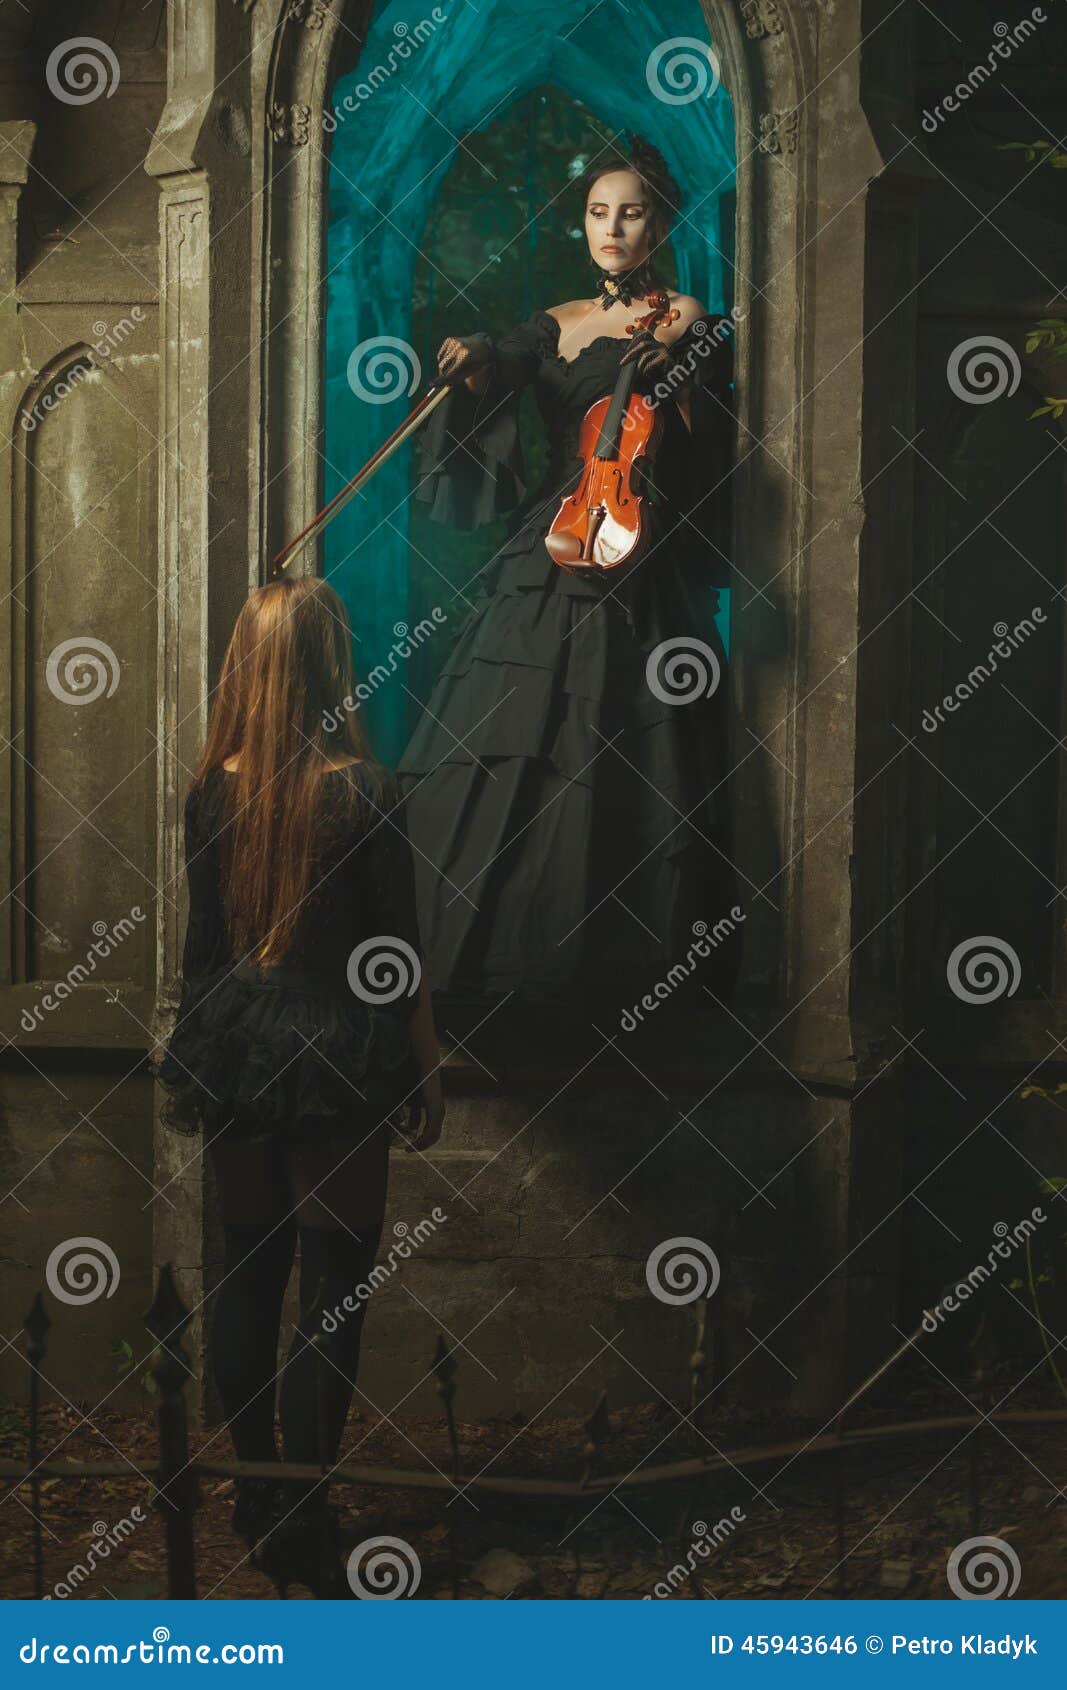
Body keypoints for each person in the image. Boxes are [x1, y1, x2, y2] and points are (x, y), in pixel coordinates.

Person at [398, 134, 743, 1013]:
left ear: (657, 220)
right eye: (597, 212)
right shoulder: (555, 319)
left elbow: (714, 444)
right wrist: (473, 360)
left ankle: (603, 973)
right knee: (502, 727)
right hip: (548, 537)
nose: (612, 227)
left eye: (630, 211)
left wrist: (683, 381)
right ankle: (476, 966)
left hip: (635, 539)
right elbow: (505, 364)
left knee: (618, 743)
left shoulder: (684, 314)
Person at [154, 576, 444, 1596]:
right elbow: (395, 957)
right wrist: (424, 1064)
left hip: (234, 1036)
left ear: (248, 662)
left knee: (246, 1273)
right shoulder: (364, 790)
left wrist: (205, 1047)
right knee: (332, 1287)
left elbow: (199, 953)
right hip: (334, 1048)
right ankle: (306, 1508)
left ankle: (258, 1492)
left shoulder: (209, 788)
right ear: (330, 665)